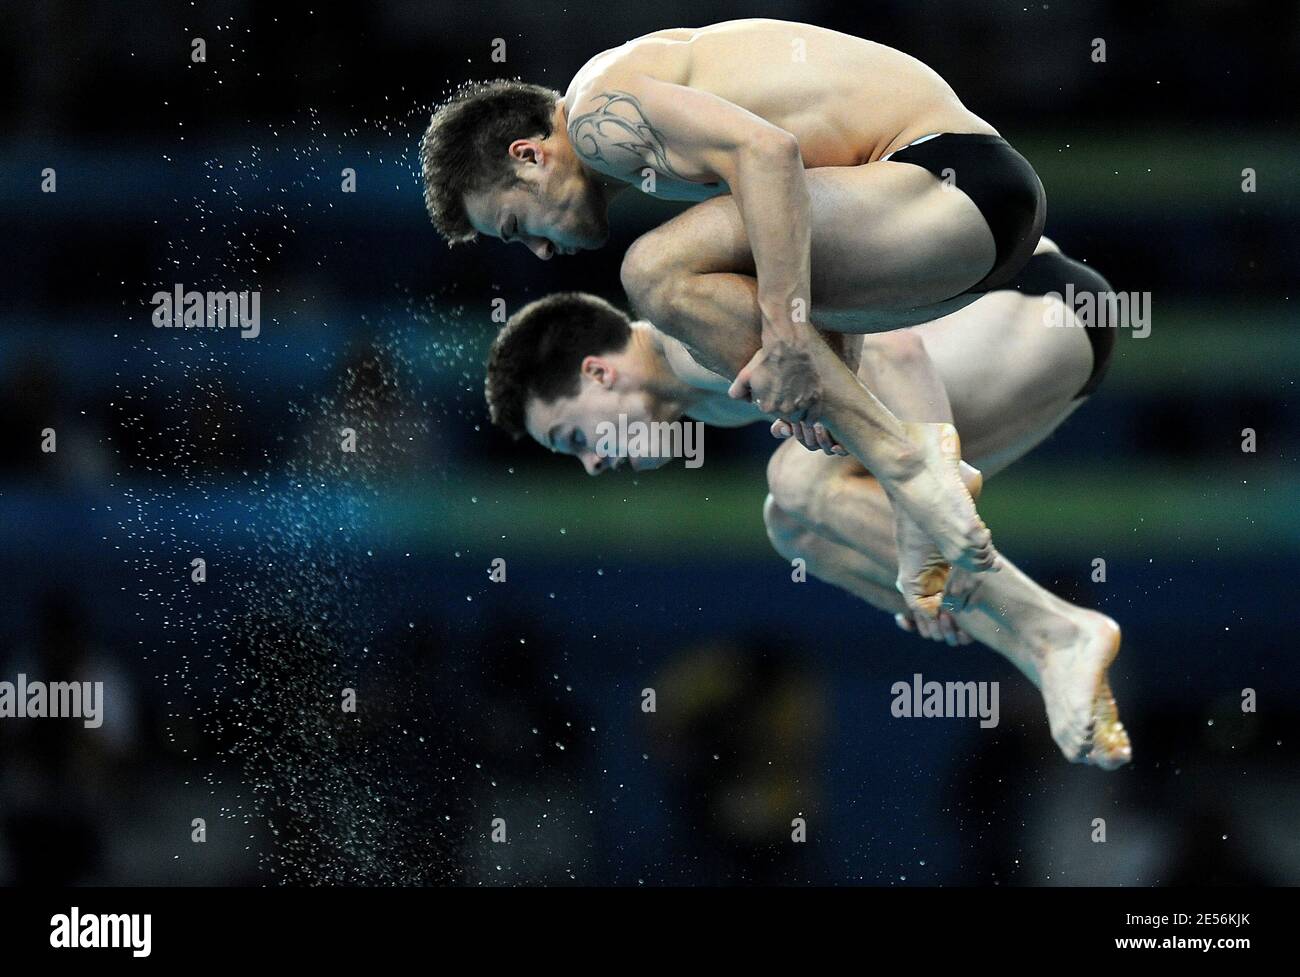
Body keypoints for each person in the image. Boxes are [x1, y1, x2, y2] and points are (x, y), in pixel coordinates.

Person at [422, 18, 1052, 585]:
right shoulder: (642, 124)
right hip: (969, 216)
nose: (536, 251)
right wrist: (812, 357)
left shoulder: (595, 121)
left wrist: (785, 341)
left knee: (652, 269)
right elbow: (808, 204)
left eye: (515, 226)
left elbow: (769, 153)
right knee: (757, 283)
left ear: (529, 157)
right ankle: (912, 469)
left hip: (950, 182)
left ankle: (910, 468)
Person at [481, 238, 1129, 770]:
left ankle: (1057, 631)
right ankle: (1042, 651)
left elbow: (897, 351)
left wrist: (920, 520)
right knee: (792, 527)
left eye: (575, 437)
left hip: (1033, 304)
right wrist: (918, 566)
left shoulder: (696, 332)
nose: (594, 462)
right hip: (1036, 338)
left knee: (797, 479)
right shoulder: (692, 386)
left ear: (598, 372)